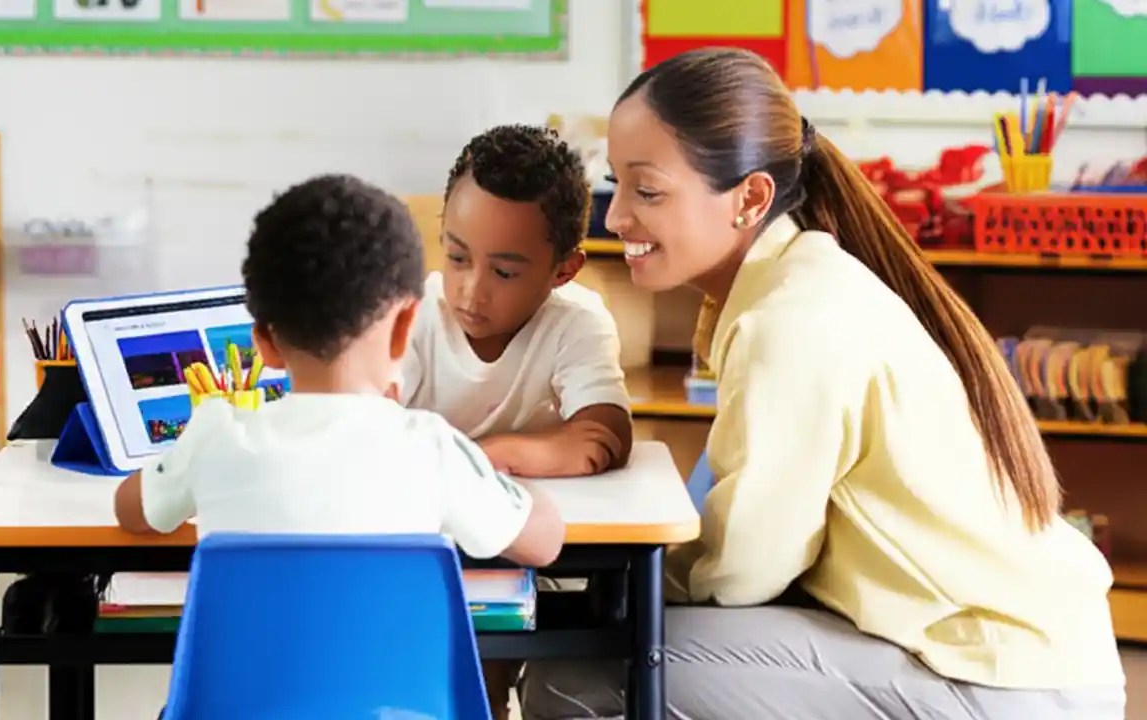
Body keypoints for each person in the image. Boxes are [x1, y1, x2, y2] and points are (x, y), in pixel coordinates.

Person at [520, 48, 1125, 720]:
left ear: (749, 198)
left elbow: (749, 568)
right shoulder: (790, 281)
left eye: (648, 191)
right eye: (617, 184)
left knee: (583, 673)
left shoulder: (790, 317)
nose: (615, 218)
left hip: (1001, 677)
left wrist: (624, 588)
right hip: (1009, 653)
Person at [113, 174, 564, 576]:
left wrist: (184, 460)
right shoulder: (431, 448)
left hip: (246, 673)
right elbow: (545, 543)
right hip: (396, 675)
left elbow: (131, 509)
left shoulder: (216, 435)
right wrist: (501, 483)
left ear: (264, 342)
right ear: (405, 327)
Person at [400, 124, 633, 479]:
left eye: (504, 272)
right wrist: (519, 454)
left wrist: (485, 455)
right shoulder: (410, 316)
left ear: (564, 271)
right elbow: (363, 432)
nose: (472, 291)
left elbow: (605, 435)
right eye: (457, 258)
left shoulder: (576, 321)